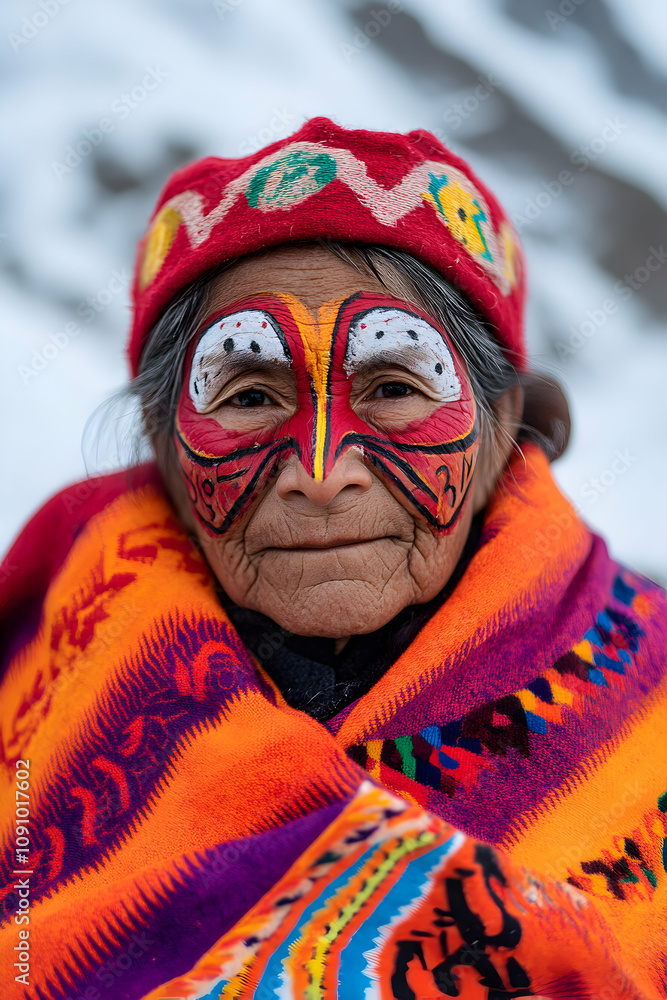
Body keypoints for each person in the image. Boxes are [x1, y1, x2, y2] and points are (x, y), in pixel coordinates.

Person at [1, 117, 666, 1000]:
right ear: (163, 448)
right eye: (246, 395)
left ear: (502, 428)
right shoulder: (41, 665)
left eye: (394, 386)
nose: (319, 476)